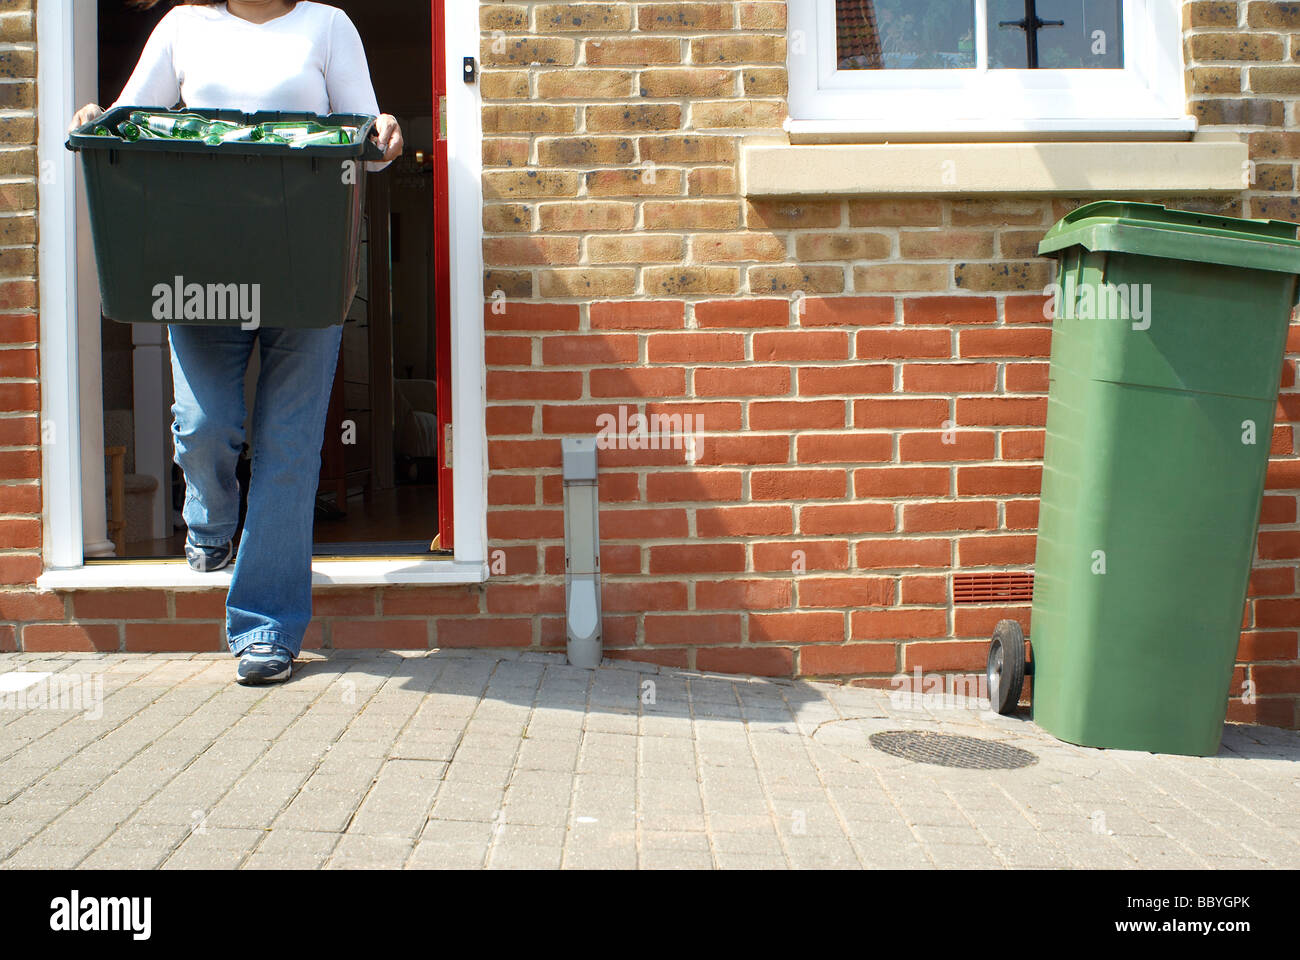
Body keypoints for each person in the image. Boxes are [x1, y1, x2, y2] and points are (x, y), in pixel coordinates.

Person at [70, 0, 404, 685]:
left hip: (305, 265)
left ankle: (266, 629)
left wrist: (383, 136)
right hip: (201, 264)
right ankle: (210, 519)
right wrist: (95, 119)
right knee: (204, 422)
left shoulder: (328, 27)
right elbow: (132, 129)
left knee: (288, 452)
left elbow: (364, 146)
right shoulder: (183, 29)